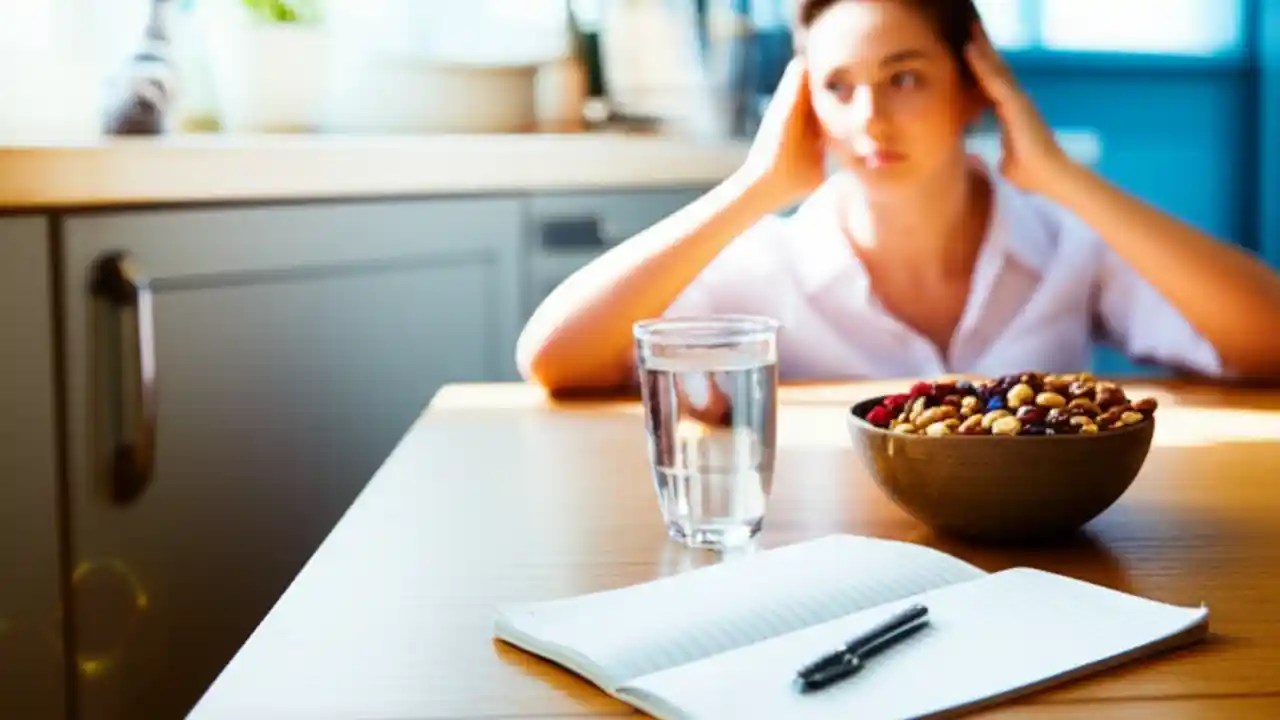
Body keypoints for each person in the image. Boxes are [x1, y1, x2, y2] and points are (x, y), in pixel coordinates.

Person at [516, 0, 1280, 394]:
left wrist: (1060, 176)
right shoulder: (764, 266)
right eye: (838, 87)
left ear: (975, 88)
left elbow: (1269, 340)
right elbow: (554, 360)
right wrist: (758, 186)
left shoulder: (1062, 245)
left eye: (905, 77)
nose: (870, 118)